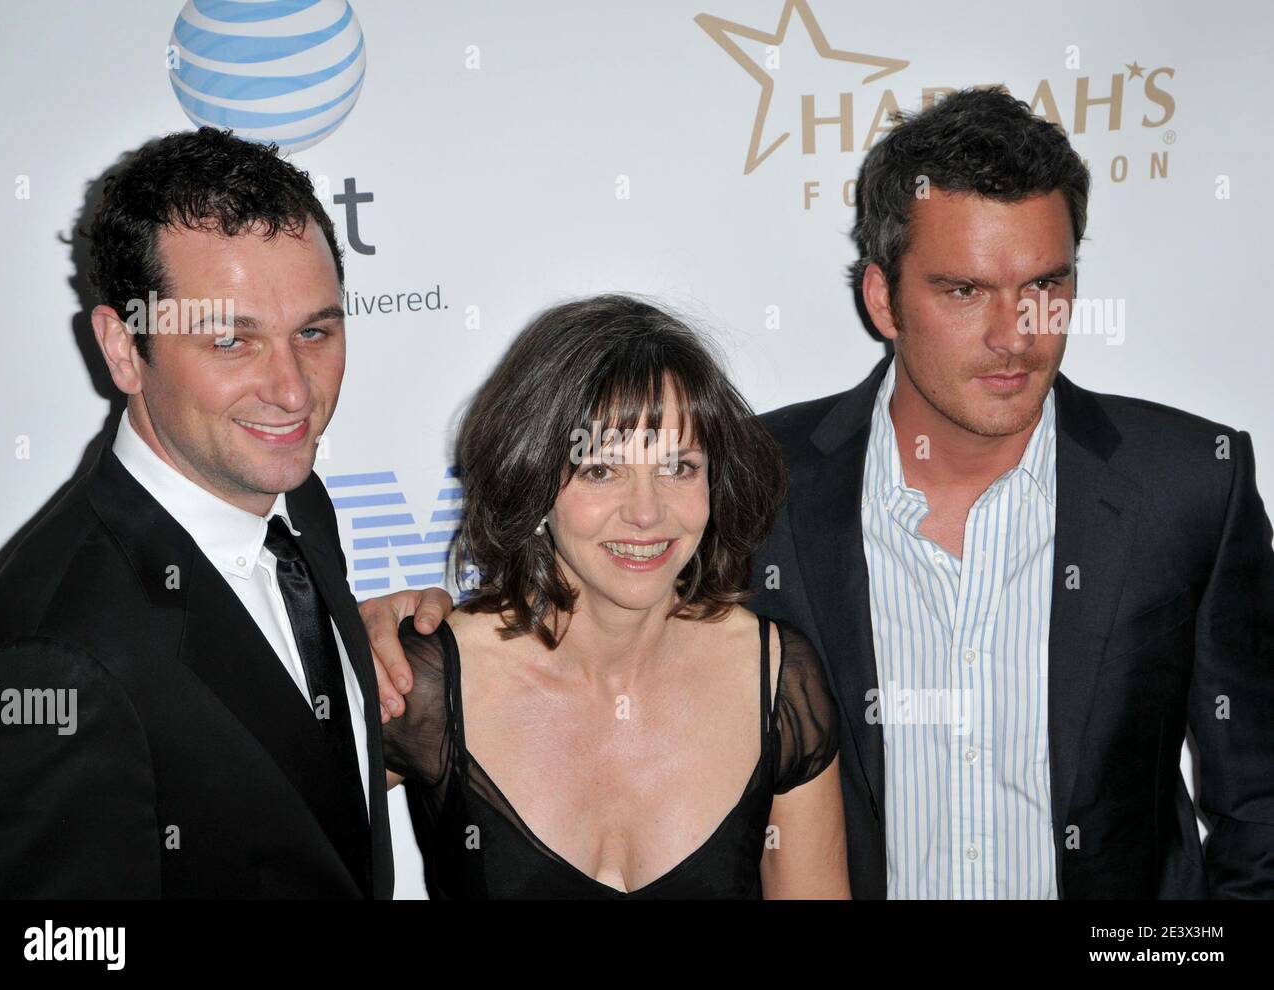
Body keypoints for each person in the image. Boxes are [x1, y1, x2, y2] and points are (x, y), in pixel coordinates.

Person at [369, 88, 1274, 899]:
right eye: (964, 291)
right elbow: (593, 611)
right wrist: (409, 631)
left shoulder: (1190, 484)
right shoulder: (751, 479)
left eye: (1046, 286)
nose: (1017, 334)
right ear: (882, 298)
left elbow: (1258, 812)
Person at [0, 128, 451, 898]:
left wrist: (360, 691)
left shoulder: (295, 502)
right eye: (232, 340)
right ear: (124, 348)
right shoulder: (51, 657)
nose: (293, 391)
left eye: (315, 332)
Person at [379, 295, 848, 898]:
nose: (647, 513)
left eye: (678, 467)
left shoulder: (778, 678)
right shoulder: (425, 681)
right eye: (601, 470)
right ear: (534, 476)